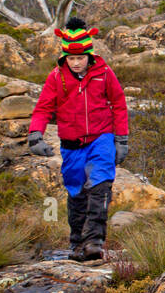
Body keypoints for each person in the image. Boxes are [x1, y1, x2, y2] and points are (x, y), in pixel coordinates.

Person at [28, 18, 130, 261]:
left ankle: (95, 241)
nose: (76, 63)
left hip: (101, 138)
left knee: (100, 184)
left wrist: (121, 139)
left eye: (80, 58)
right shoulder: (56, 77)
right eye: (71, 58)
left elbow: (118, 104)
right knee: (76, 193)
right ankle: (77, 243)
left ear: (89, 55)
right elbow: (43, 108)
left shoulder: (104, 73)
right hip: (72, 145)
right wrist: (35, 135)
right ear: (65, 57)